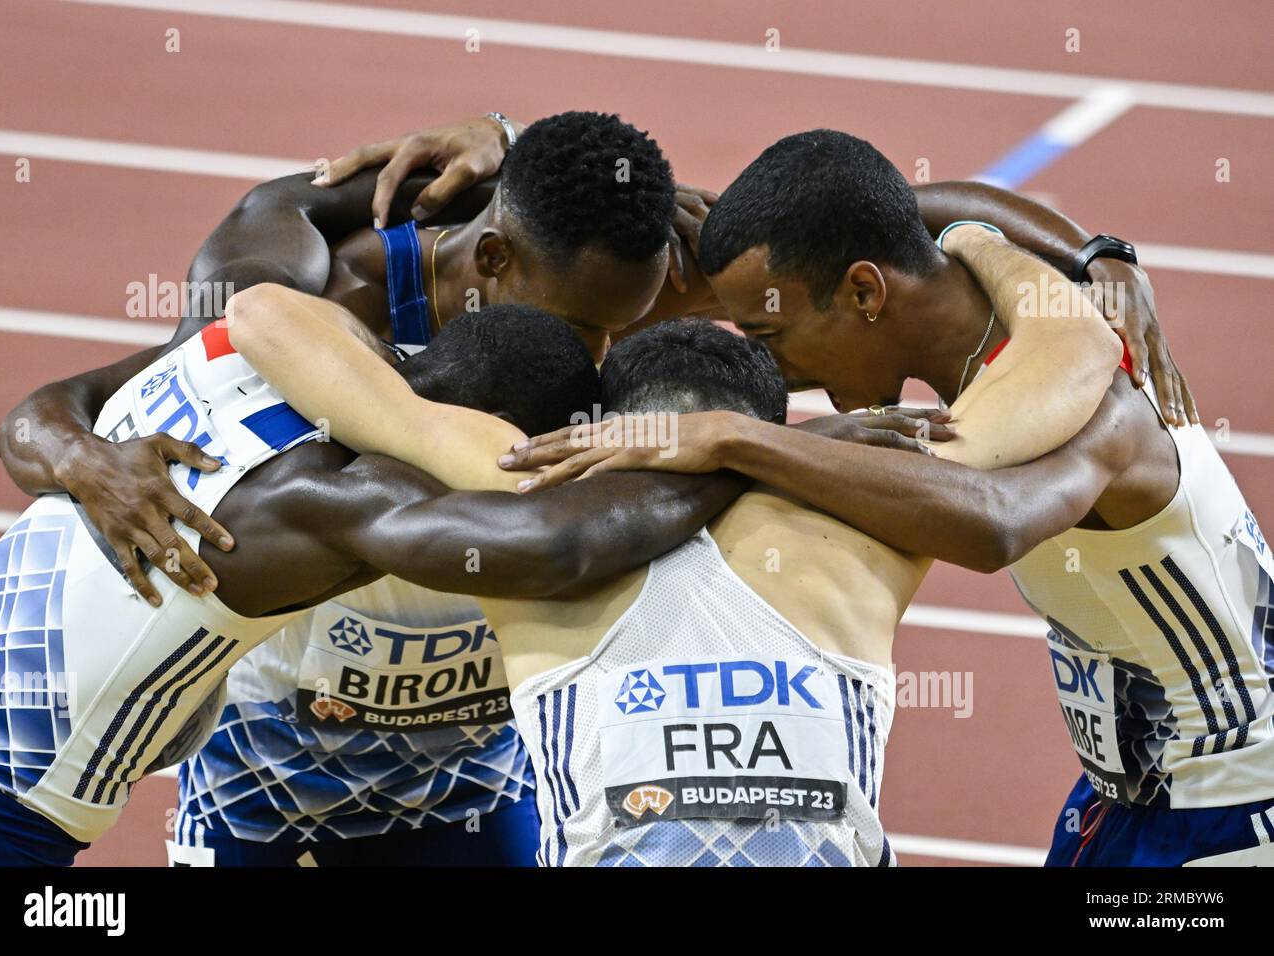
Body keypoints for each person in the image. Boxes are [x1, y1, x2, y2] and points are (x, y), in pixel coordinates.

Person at [215, 213, 1121, 865]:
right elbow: (1073, 347)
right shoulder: (871, 515)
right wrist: (974, 240)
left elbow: (262, 311)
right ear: (763, 419)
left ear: (605, 427)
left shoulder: (524, 508)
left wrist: (420, 368)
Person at [501, 130, 1273, 867]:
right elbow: (893, 210)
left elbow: (993, 524)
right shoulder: (989, 341)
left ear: (866, 290)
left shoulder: (1094, 397)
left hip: (1236, 792)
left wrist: (732, 437)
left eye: (770, 335)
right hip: (1135, 790)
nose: (772, 372)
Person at [0, 301, 766, 866]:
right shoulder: (333, 498)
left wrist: (76, 455)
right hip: (6, 800)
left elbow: (43, 413)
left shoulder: (234, 354)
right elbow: (556, 545)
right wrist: (740, 454)